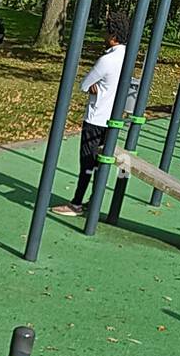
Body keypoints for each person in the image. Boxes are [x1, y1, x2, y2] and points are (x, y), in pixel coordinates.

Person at [52, 11, 130, 217]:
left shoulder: (107, 60)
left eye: (106, 32)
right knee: (100, 163)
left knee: (87, 162)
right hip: (113, 119)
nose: (103, 36)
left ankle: (77, 203)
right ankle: (92, 202)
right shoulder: (127, 57)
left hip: (96, 118)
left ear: (113, 36)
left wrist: (94, 86)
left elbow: (84, 85)